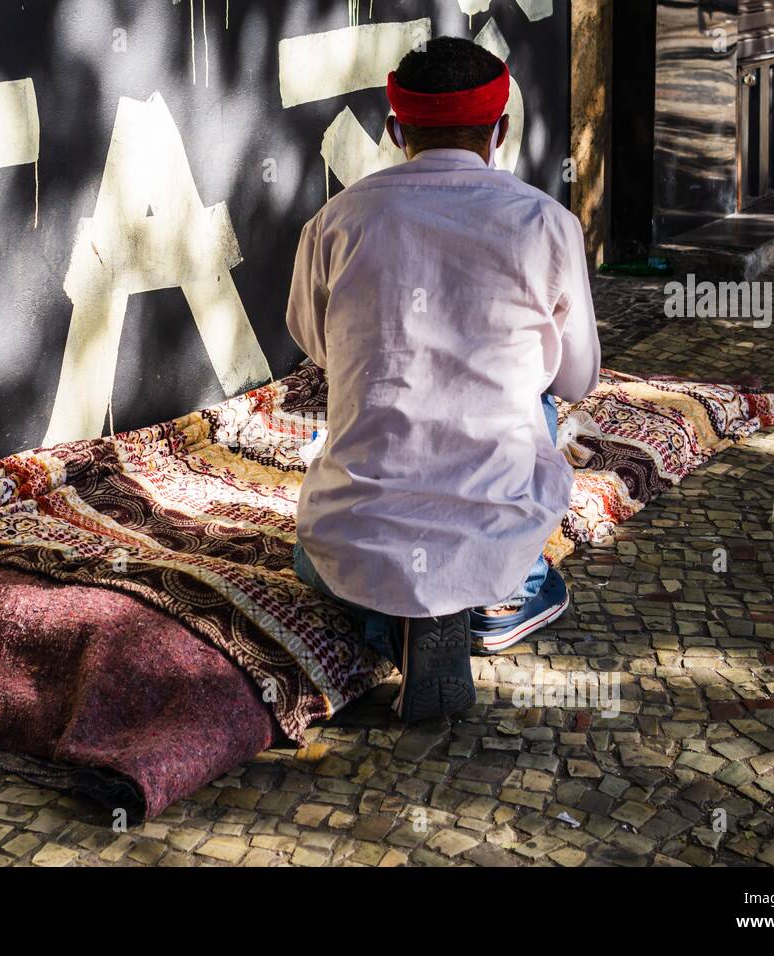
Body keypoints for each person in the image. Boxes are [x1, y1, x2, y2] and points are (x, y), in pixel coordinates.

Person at [287, 36, 601, 723]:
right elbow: (578, 378)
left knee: (309, 564)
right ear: (503, 129)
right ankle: (506, 592)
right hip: (498, 516)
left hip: (352, 535)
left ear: (397, 131)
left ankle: (391, 616)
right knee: (540, 400)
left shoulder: (338, 219)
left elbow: (317, 347)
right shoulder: (545, 221)